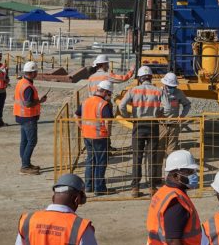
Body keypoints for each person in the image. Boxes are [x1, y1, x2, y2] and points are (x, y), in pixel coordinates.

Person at [118, 65, 164, 197]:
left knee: (137, 157)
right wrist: (159, 115)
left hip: (138, 125)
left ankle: (135, 188)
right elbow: (166, 108)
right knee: (152, 157)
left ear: (139, 78)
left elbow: (121, 105)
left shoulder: (133, 90)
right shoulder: (158, 91)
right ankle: (152, 187)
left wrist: (128, 118)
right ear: (150, 77)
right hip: (153, 125)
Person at [76, 79, 115, 196]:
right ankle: (99, 188)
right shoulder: (104, 104)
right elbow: (108, 121)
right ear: (105, 92)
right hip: (99, 137)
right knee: (101, 162)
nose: (110, 96)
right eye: (109, 94)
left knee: (90, 160)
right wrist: (108, 134)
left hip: (87, 135)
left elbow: (76, 115)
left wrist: (82, 127)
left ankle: (88, 186)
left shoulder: (86, 101)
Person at [15, 61, 49, 175]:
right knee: (32, 141)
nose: (37, 73)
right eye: (36, 72)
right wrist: (40, 101)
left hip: (21, 116)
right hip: (28, 116)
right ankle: (25, 166)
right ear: (32, 72)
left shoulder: (21, 82)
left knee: (24, 141)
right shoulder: (28, 86)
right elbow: (28, 103)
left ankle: (26, 163)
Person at [160, 72, 192, 154]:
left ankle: (170, 164)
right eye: (170, 87)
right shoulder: (159, 93)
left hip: (174, 124)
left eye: (173, 87)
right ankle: (158, 165)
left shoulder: (179, 93)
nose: (172, 88)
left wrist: (182, 115)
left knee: (172, 149)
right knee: (159, 147)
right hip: (161, 125)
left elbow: (187, 104)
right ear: (165, 85)